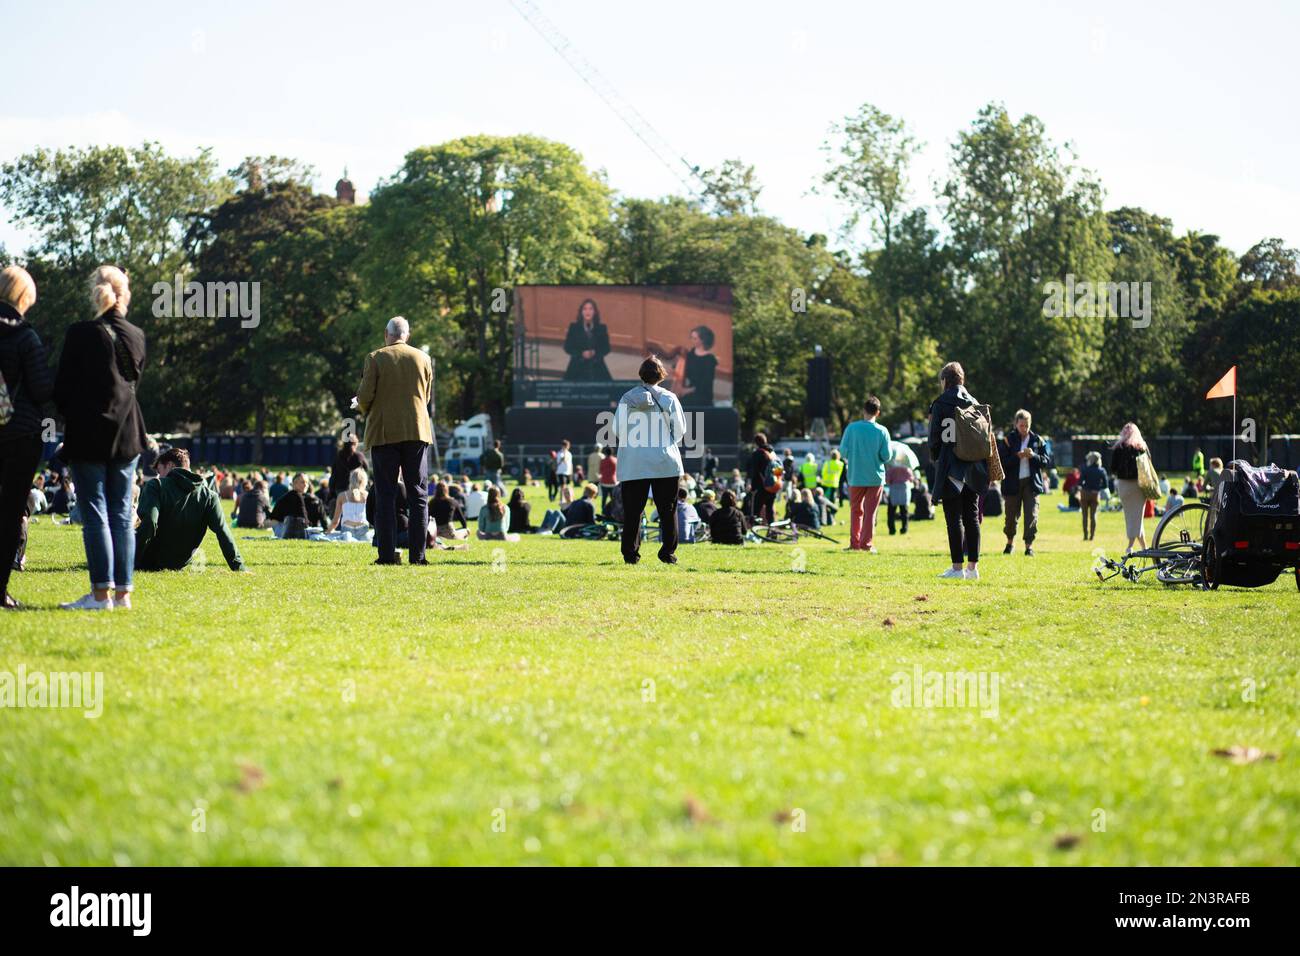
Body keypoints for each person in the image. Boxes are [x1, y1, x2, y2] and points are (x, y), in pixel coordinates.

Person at [53, 266, 147, 611]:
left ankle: (100, 594)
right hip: (127, 432)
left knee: (94, 511)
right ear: (124, 295)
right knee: (122, 513)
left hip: (88, 431)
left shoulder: (80, 333)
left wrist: (70, 415)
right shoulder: (136, 335)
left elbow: (61, 388)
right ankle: (123, 594)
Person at [356, 316, 432, 566]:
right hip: (416, 430)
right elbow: (426, 396)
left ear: (385, 334)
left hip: (384, 432)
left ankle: (387, 555)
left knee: (385, 495)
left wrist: (363, 407)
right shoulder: (423, 358)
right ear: (407, 335)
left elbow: (365, 395)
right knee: (418, 495)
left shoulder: (375, 357)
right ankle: (418, 556)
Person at [0, 266, 53, 610]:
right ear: (24, 296)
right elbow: (40, 389)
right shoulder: (26, 337)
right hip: (18, 433)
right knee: (9, 513)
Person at [616, 356, 686, 565]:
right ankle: (668, 553)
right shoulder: (670, 398)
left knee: (633, 511)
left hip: (634, 463)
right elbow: (680, 430)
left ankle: (631, 553)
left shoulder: (628, 398)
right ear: (661, 375)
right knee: (668, 510)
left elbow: (616, 429)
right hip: (665, 461)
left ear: (641, 374)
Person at [135, 447, 245, 572]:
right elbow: (223, 532)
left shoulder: (156, 485)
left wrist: (132, 559)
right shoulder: (209, 495)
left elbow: (150, 523)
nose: (159, 476)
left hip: (149, 559)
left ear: (170, 465)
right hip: (179, 562)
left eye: (160, 471)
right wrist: (239, 567)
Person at [929, 362, 988, 580]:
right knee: (972, 517)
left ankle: (956, 568)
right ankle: (972, 568)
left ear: (945, 381)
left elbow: (935, 438)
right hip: (973, 466)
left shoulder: (941, 403)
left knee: (953, 518)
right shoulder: (974, 402)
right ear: (961, 380)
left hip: (951, 466)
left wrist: (936, 459)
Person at [839, 395, 892, 553]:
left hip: (855, 476)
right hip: (875, 477)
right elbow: (886, 456)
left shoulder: (851, 428)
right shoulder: (882, 431)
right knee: (870, 513)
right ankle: (866, 544)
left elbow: (843, 451)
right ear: (878, 412)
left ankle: (854, 544)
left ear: (863, 410)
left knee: (856, 511)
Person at [998, 409, 1052, 557]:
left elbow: (1046, 461)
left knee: (1031, 516)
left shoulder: (1038, 440)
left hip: (1031, 484)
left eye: (1027, 425)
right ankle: (1010, 543)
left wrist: (1033, 456)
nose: (1024, 428)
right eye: (1021, 425)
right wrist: (1017, 456)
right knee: (1010, 517)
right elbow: (1002, 462)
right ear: (1016, 424)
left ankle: (1029, 547)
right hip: (1012, 483)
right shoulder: (1008, 440)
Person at [1110, 422, 1150, 554]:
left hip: (1124, 485)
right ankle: (1131, 545)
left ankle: (1144, 547)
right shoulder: (1142, 447)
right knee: (1138, 516)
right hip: (1139, 485)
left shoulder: (1119, 447)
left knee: (1130, 516)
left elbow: (1113, 468)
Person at [562, 298, 612, 381]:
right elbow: (567, 347)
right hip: (577, 365)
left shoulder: (601, 328)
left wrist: (594, 352)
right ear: (581, 312)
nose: (587, 311)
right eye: (585, 309)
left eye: (590, 309)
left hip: (597, 366)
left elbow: (606, 348)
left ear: (594, 312)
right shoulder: (574, 327)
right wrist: (581, 354)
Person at [269, 472, 322, 538]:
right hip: (284, 530)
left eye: (307, 482)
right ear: (295, 484)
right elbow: (303, 516)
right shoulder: (297, 496)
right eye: (303, 482)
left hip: (279, 530)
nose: (306, 485)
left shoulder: (288, 495)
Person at [327, 468, 372, 539]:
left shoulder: (342, 496)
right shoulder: (367, 495)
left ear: (350, 480)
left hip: (347, 529)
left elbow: (335, 521)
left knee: (345, 536)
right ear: (364, 482)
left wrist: (328, 531)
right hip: (363, 529)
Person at [328, 435, 368, 511]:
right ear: (356, 443)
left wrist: (331, 490)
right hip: (358, 488)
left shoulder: (338, 456)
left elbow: (333, 474)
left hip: (340, 488)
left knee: (342, 512)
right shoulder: (359, 457)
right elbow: (366, 470)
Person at [745, 434, 776, 525]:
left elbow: (756, 472)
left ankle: (755, 530)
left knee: (756, 510)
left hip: (761, 486)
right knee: (770, 509)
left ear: (756, 443)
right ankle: (772, 530)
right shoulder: (772, 452)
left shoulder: (758, 454)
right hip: (773, 484)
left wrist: (753, 488)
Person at [1078, 451, 1107, 541]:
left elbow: (1080, 482)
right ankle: (1092, 536)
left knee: (1084, 515)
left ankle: (1085, 535)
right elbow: (1105, 485)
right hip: (1095, 494)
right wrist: (1097, 488)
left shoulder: (1086, 469)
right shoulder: (1101, 470)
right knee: (1093, 515)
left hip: (1085, 493)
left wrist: (1085, 487)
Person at [885, 456, 914, 536]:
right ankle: (904, 528)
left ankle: (892, 529)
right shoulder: (907, 469)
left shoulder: (891, 470)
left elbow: (887, 481)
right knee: (904, 511)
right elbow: (911, 479)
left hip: (894, 490)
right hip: (904, 490)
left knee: (891, 512)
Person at [597, 446, 618, 512]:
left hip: (604, 482)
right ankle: (614, 511)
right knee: (613, 498)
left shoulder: (602, 461)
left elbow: (600, 471)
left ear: (605, 453)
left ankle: (603, 511)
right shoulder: (615, 460)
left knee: (604, 498)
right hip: (613, 482)